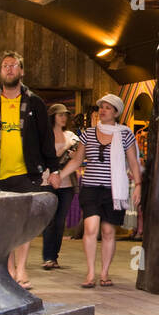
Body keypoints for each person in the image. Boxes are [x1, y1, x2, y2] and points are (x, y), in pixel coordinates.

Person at [0, 51, 61, 289]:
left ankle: (21, 270)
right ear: (0, 72)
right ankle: (7, 271)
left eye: (14, 65)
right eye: (5, 65)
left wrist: (54, 168)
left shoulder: (34, 103)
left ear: (22, 71)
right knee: (2, 226)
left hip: (25, 173)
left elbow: (45, 138)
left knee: (22, 224)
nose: (9, 69)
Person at [57, 94, 142, 288]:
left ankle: (104, 273)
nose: (102, 111)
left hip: (114, 190)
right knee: (91, 228)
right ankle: (90, 273)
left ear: (116, 112)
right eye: (100, 107)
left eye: (107, 108)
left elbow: (133, 162)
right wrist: (60, 176)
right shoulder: (88, 133)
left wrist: (138, 185)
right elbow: (77, 160)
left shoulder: (125, 134)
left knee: (108, 231)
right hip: (91, 187)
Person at [40, 103, 80, 269]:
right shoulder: (45, 135)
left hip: (67, 183)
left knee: (60, 220)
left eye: (65, 115)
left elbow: (79, 156)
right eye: (60, 115)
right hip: (47, 181)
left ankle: (54, 256)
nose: (63, 118)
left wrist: (73, 152)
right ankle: (47, 256)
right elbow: (48, 157)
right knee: (49, 220)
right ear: (53, 117)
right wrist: (65, 147)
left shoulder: (71, 135)